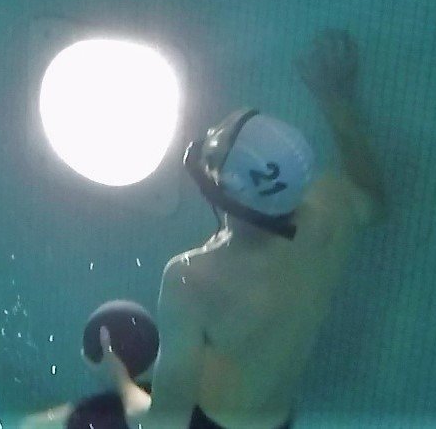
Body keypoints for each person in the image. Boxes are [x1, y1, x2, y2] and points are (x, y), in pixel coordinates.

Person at [98, 30, 385, 429]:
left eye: (214, 155)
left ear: (229, 194)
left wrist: (119, 375)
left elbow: (163, 425)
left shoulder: (191, 277)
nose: (207, 139)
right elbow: (373, 193)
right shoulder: (333, 208)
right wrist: (334, 98)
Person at [22, 300, 160, 429]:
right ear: (156, 353)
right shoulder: (173, 406)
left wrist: (118, 375)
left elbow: (30, 425)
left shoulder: (84, 416)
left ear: (88, 358)